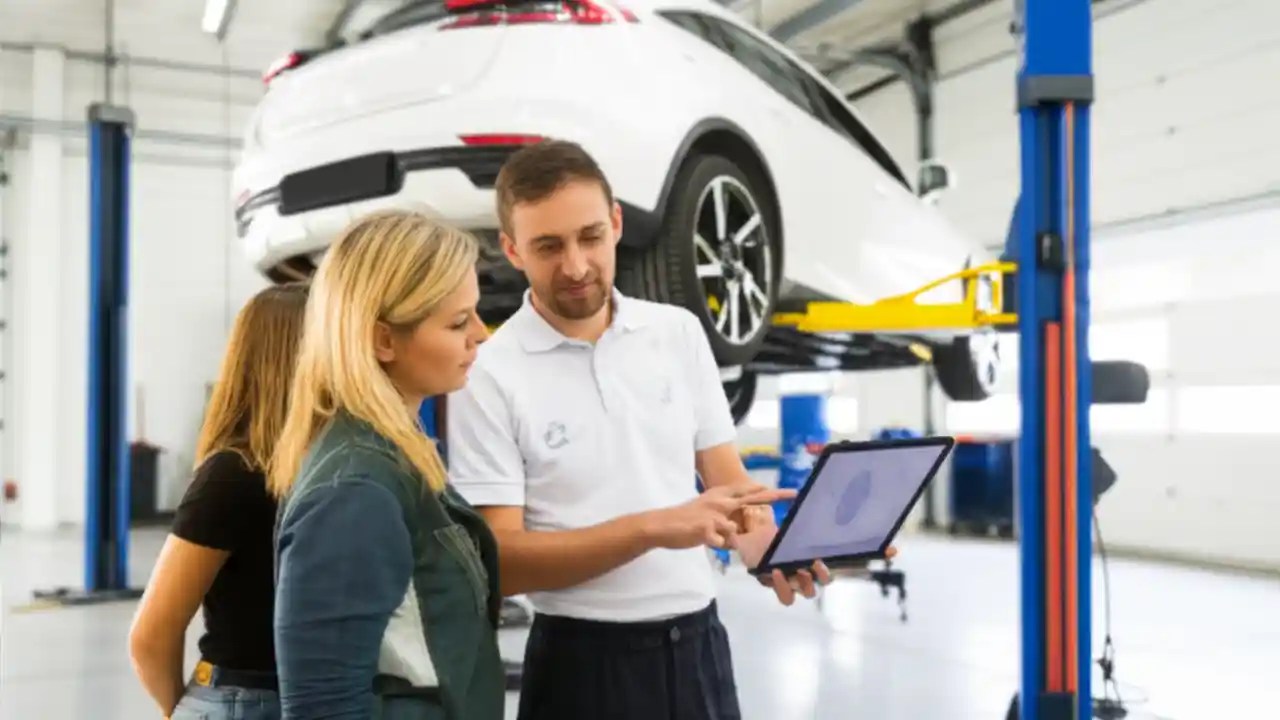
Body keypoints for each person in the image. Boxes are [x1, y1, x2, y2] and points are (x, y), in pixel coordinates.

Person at [445, 139, 830, 720]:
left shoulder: (676, 333)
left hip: (699, 652)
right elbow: (504, 561)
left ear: (617, 222)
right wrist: (651, 529)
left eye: (591, 236)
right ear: (511, 249)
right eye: (548, 246)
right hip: (581, 667)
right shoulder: (488, 373)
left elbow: (731, 487)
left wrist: (771, 551)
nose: (575, 266)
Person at [268, 209, 504, 719]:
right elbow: (323, 707)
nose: (480, 334)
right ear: (382, 339)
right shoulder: (356, 489)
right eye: (459, 321)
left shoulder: (393, 453)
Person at [129, 282, 309, 720]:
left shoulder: (328, 465)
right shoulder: (234, 474)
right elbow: (151, 635)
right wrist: (188, 709)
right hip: (243, 699)